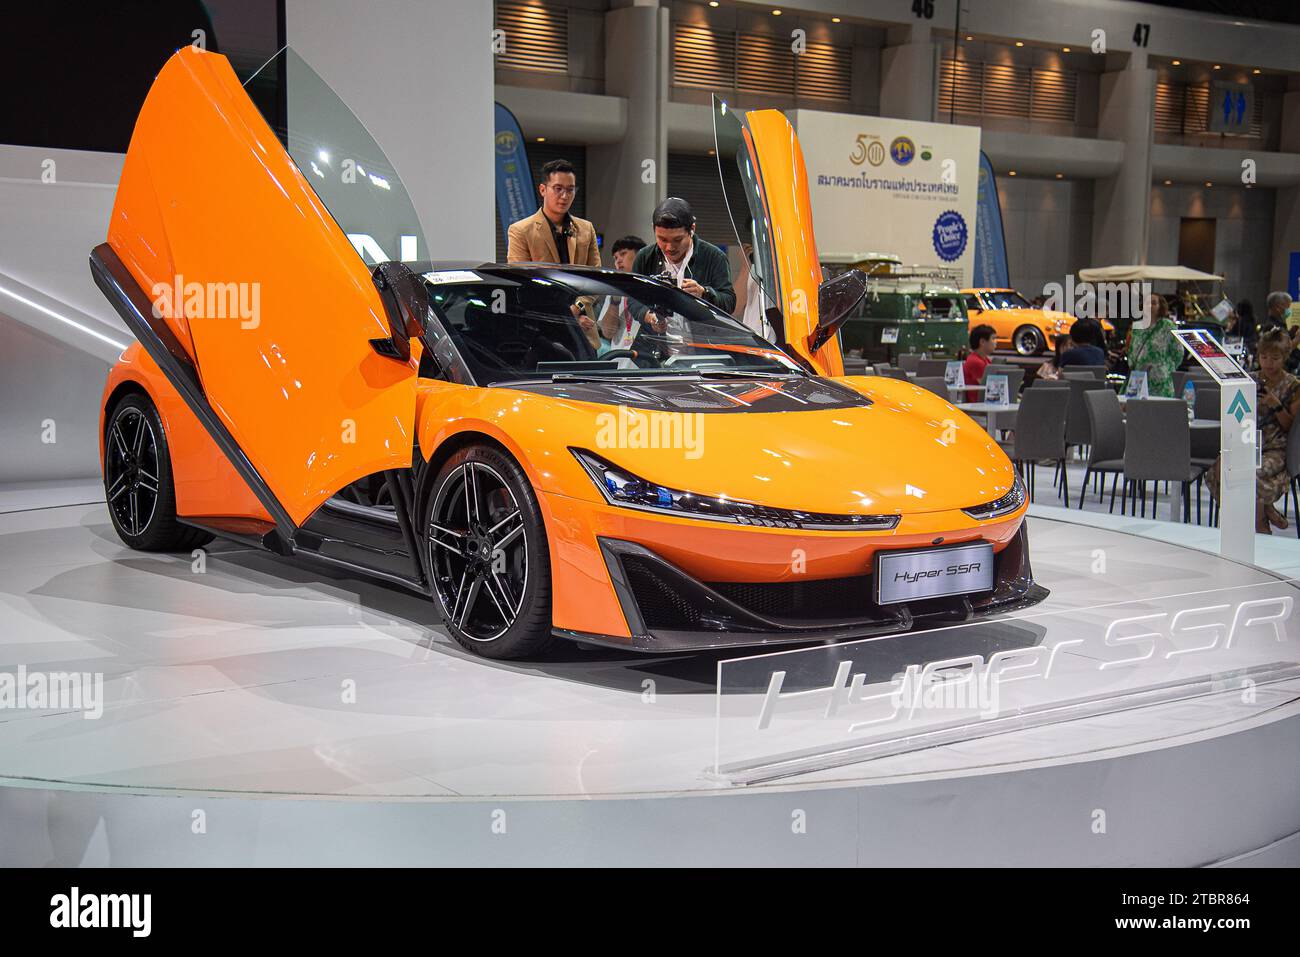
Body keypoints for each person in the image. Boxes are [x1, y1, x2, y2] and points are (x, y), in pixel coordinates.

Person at [1207, 328, 1300, 533]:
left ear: (1284, 357)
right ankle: (1261, 512)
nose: (1268, 363)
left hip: (1277, 448)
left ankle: (1259, 524)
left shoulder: (1293, 386)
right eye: (1264, 357)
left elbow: (1292, 428)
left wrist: (1276, 406)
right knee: (1219, 471)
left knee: (1250, 474)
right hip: (1248, 441)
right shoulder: (1249, 380)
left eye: (1275, 358)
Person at [506, 158, 601, 350]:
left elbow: (596, 277)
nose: (564, 196)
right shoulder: (521, 230)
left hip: (583, 331)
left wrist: (578, 308)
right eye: (558, 189)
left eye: (570, 189)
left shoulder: (585, 228)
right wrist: (566, 315)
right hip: (541, 331)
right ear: (543, 189)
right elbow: (522, 283)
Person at [631, 197, 736, 315]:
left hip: (700, 333)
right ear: (653, 229)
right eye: (662, 239)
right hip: (654, 334)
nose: (669, 247)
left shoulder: (714, 257)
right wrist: (648, 316)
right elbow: (632, 300)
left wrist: (703, 293)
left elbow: (729, 302)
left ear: (692, 229)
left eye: (677, 240)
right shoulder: (644, 257)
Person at [594, 236, 645, 354]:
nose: (618, 260)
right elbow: (608, 333)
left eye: (623, 254)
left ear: (640, 255)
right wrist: (614, 302)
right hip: (619, 361)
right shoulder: (614, 291)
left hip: (644, 362)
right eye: (616, 257)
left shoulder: (652, 287)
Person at [1127, 293, 1181, 397]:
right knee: (1136, 407)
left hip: (1160, 378)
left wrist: (1165, 367)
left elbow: (1178, 351)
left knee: (1159, 409)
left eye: (1154, 303)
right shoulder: (1137, 326)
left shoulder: (1167, 325)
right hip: (1139, 375)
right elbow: (1132, 349)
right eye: (1147, 303)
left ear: (1160, 306)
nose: (1149, 306)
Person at [963, 323, 997, 402]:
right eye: (993, 339)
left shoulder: (985, 360)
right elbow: (987, 386)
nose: (996, 342)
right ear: (982, 342)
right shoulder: (975, 362)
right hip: (978, 403)